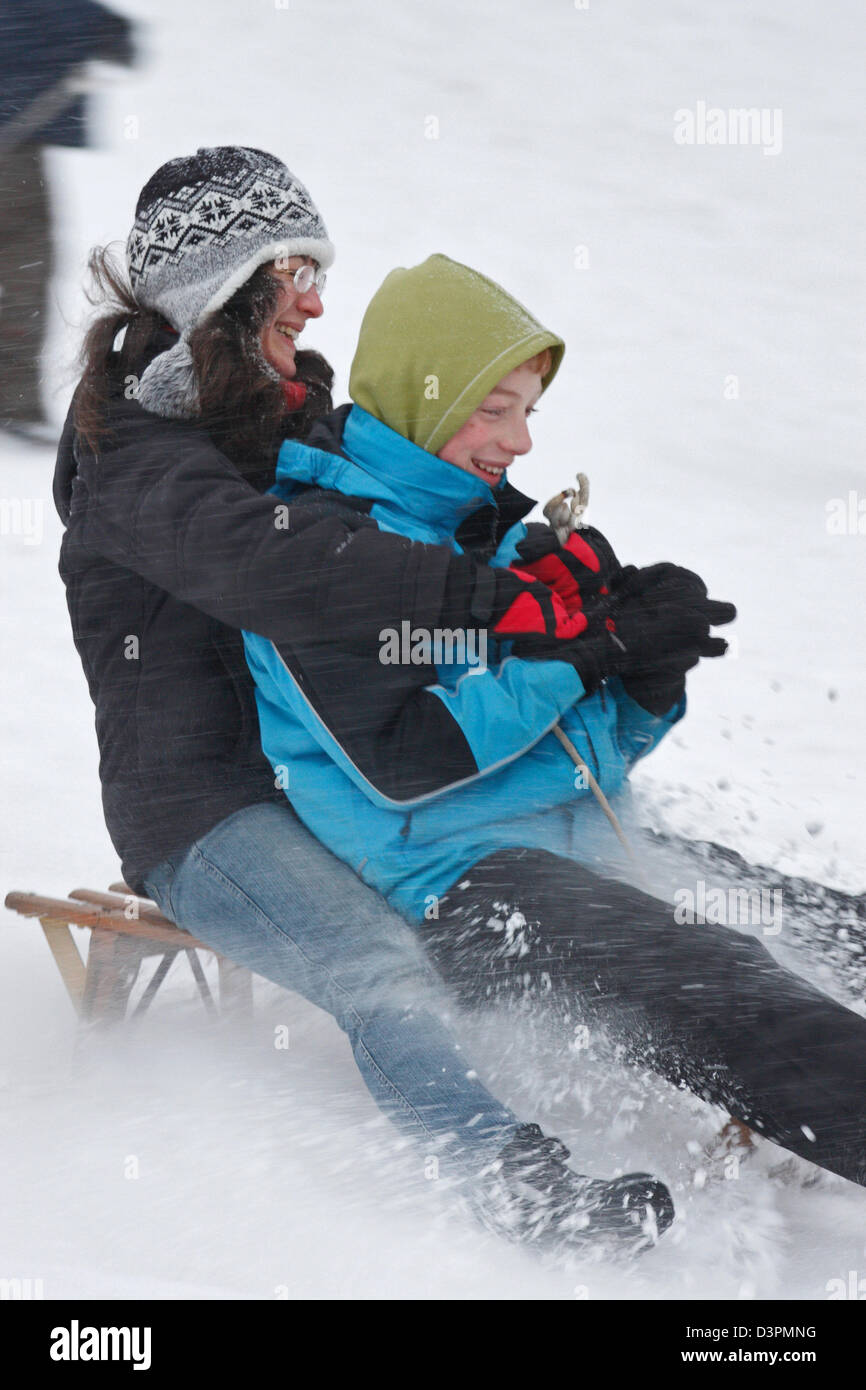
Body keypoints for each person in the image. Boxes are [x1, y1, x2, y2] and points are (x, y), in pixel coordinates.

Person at [54, 147, 670, 1257]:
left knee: (560, 875)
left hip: (341, 778)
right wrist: (496, 605)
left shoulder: (284, 413)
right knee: (375, 963)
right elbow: (285, 565)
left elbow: (400, 496)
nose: (317, 297)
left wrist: (546, 559)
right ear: (216, 290)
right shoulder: (136, 464)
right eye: (291, 269)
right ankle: (519, 1182)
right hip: (208, 811)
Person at [242, 252, 866, 1197]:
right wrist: (577, 655)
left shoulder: (484, 537)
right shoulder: (324, 552)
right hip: (460, 888)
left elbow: (584, 755)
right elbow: (404, 764)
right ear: (425, 399)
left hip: (590, 851)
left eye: (529, 410)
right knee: (721, 979)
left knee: (822, 925)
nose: (522, 441)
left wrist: (645, 675)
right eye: (495, 411)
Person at [0, 0, 136, 440]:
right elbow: (78, 21)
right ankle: (12, 399)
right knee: (21, 265)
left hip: (17, 134)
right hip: (12, 143)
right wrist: (109, 34)